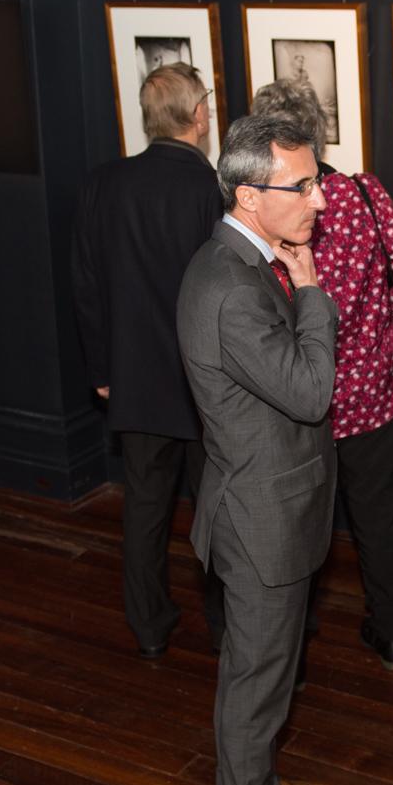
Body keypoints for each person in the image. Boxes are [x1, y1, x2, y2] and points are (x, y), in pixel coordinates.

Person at [175, 113, 351, 785]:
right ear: (249, 196)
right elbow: (312, 391)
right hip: (260, 519)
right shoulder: (230, 286)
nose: (319, 200)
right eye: (303, 185)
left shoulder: (246, 261)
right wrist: (314, 290)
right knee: (256, 684)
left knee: (262, 677)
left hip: (272, 503)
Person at [257, 81, 393, 669]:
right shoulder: (361, 193)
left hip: (293, 401)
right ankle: (390, 633)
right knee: (379, 520)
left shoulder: (262, 213)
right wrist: (377, 321)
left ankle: (295, 651)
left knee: (295, 530)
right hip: (371, 396)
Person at [72, 62, 227, 658]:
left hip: (133, 379)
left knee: (144, 509)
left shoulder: (102, 184)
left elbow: (86, 286)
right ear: (197, 117)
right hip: (203, 383)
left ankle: (148, 626)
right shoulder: (209, 190)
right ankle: (222, 622)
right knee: (215, 513)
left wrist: (102, 371)